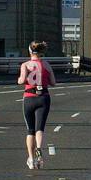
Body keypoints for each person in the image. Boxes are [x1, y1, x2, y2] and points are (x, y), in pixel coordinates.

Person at [17, 41, 56, 170]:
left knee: (30, 130)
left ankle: (31, 158)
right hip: (43, 97)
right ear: (41, 52)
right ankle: (39, 149)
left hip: (29, 98)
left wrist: (20, 79)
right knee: (40, 128)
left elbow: (22, 80)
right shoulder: (46, 64)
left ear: (29, 51)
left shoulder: (25, 65)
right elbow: (53, 82)